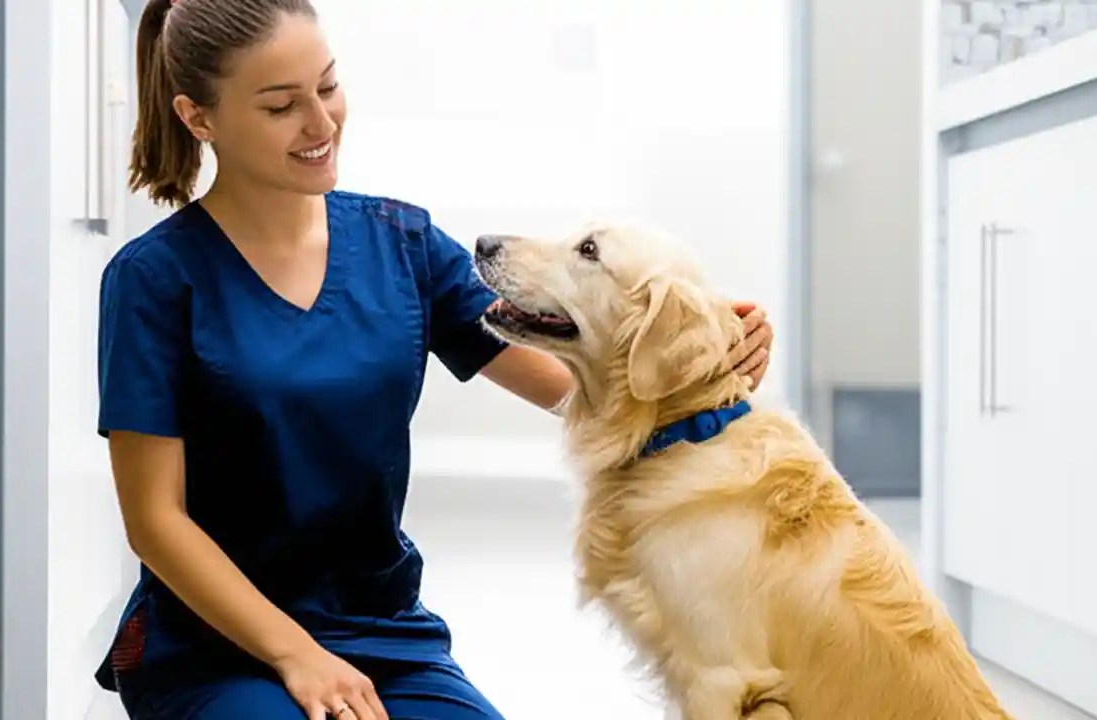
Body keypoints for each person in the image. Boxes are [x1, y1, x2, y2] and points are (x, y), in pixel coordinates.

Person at [97, 1, 776, 718]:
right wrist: (297, 656)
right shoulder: (153, 279)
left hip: (383, 636)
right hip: (214, 646)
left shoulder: (401, 245)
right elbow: (155, 521)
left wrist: (705, 352)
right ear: (199, 118)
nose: (322, 124)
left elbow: (583, 389)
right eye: (280, 106)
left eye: (327, 87)